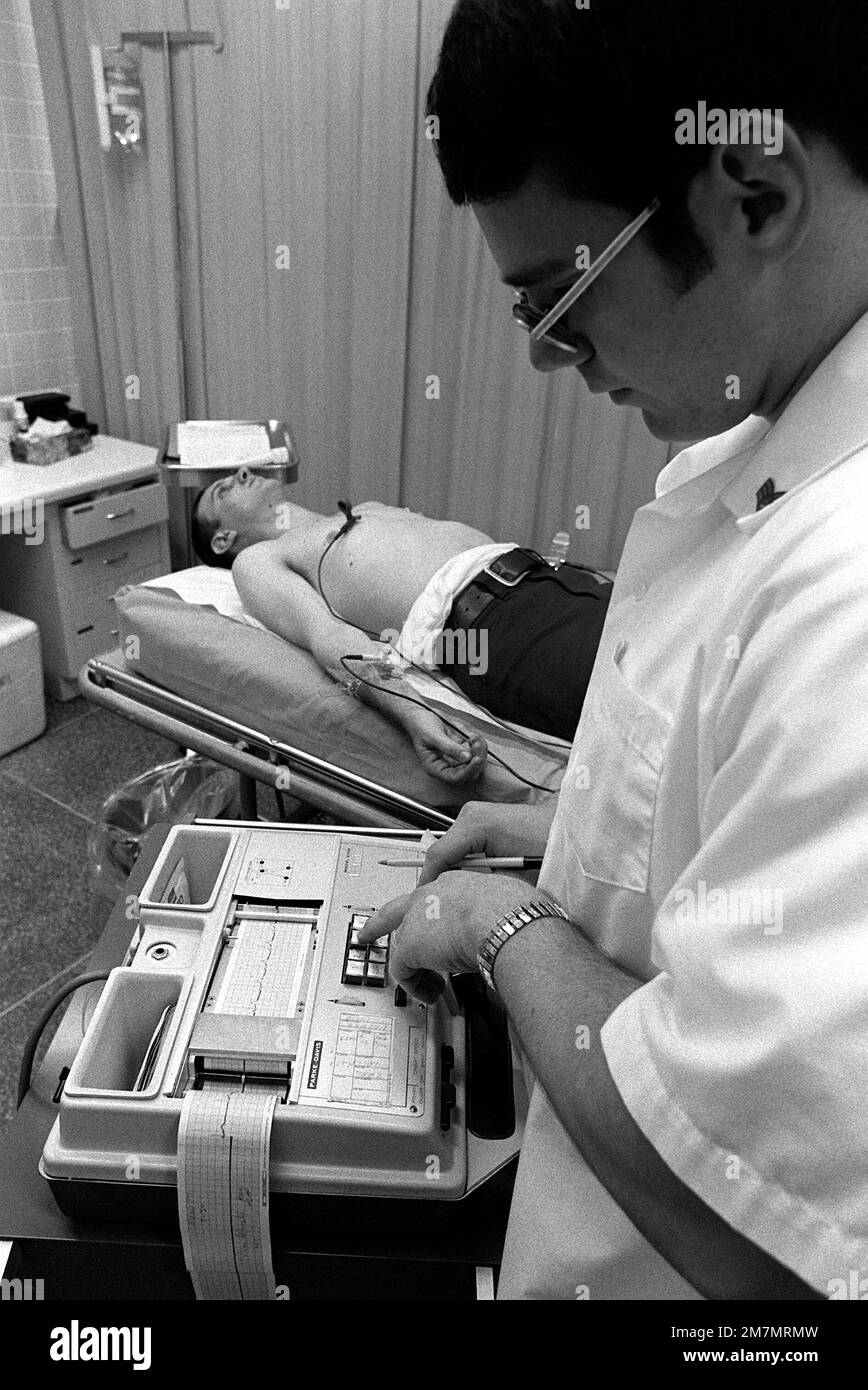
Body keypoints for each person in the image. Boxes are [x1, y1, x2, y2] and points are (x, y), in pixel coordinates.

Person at [356, 0, 868, 1300]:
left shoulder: (848, 583)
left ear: (751, 195)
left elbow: (760, 1223)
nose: (543, 357)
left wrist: (502, 919)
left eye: (563, 299)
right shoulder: (752, 451)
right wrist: (570, 836)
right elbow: (726, 822)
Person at [191, 470, 611, 783]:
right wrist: (415, 714)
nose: (241, 473)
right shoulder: (260, 560)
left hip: (555, 580)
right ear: (223, 540)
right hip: (484, 631)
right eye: (221, 490)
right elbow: (329, 638)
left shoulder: (366, 510)